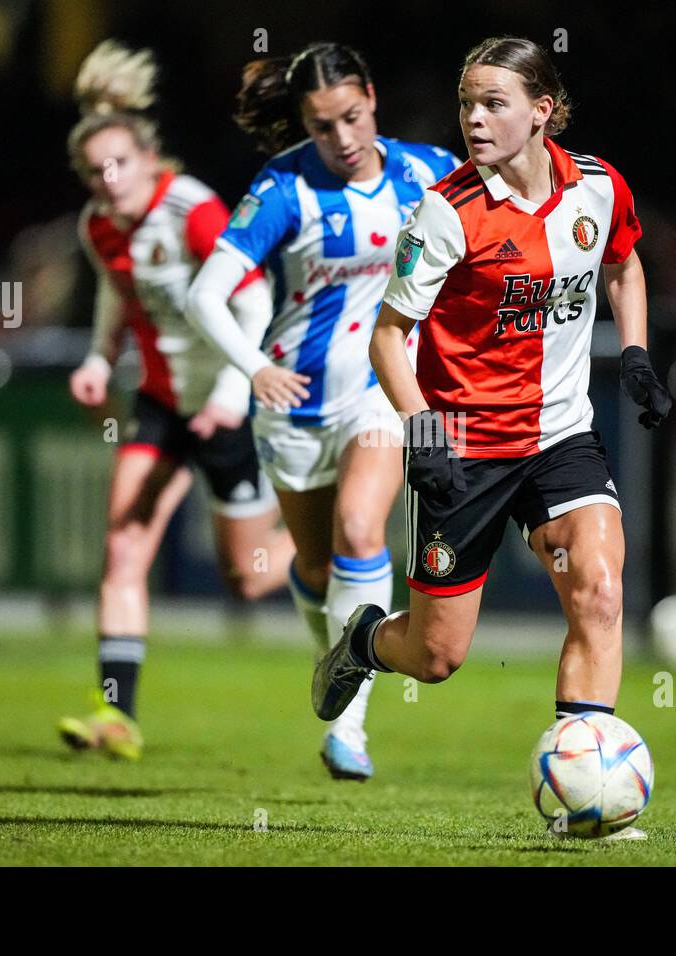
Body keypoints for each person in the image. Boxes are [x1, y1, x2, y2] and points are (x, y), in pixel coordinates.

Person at [309, 36, 672, 823]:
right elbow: (386, 336)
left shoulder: (601, 188)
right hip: (465, 450)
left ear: (542, 112)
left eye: (493, 103)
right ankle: (366, 642)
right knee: (437, 658)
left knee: (601, 591)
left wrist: (637, 353)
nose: (474, 119)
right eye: (466, 103)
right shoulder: (446, 212)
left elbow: (624, 264)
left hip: (561, 435)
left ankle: (590, 792)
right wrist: (425, 436)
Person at [187, 42, 460, 780]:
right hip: (298, 399)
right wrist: (255, 367)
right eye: (321, 126)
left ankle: (350, 728)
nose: (342, 139)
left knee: (361, 528)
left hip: (383, 390)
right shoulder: (282, 187)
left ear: (372, 97)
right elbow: (204, 293)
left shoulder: (429, 171)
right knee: (311, 563)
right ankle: (333, 660)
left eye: (351, 116)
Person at [57, 40, 294, 760]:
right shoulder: (98, 225)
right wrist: (101, 358)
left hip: (222, 403)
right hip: (162, 404)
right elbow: (113, 292)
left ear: (148, 158)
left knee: (248, 583)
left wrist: (229, 392)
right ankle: (116, 716)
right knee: (124, 547)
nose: (109, 177)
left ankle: (316, 531)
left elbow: (254, 298)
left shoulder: (190, 208)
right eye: (96, 170)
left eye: (119, 163)